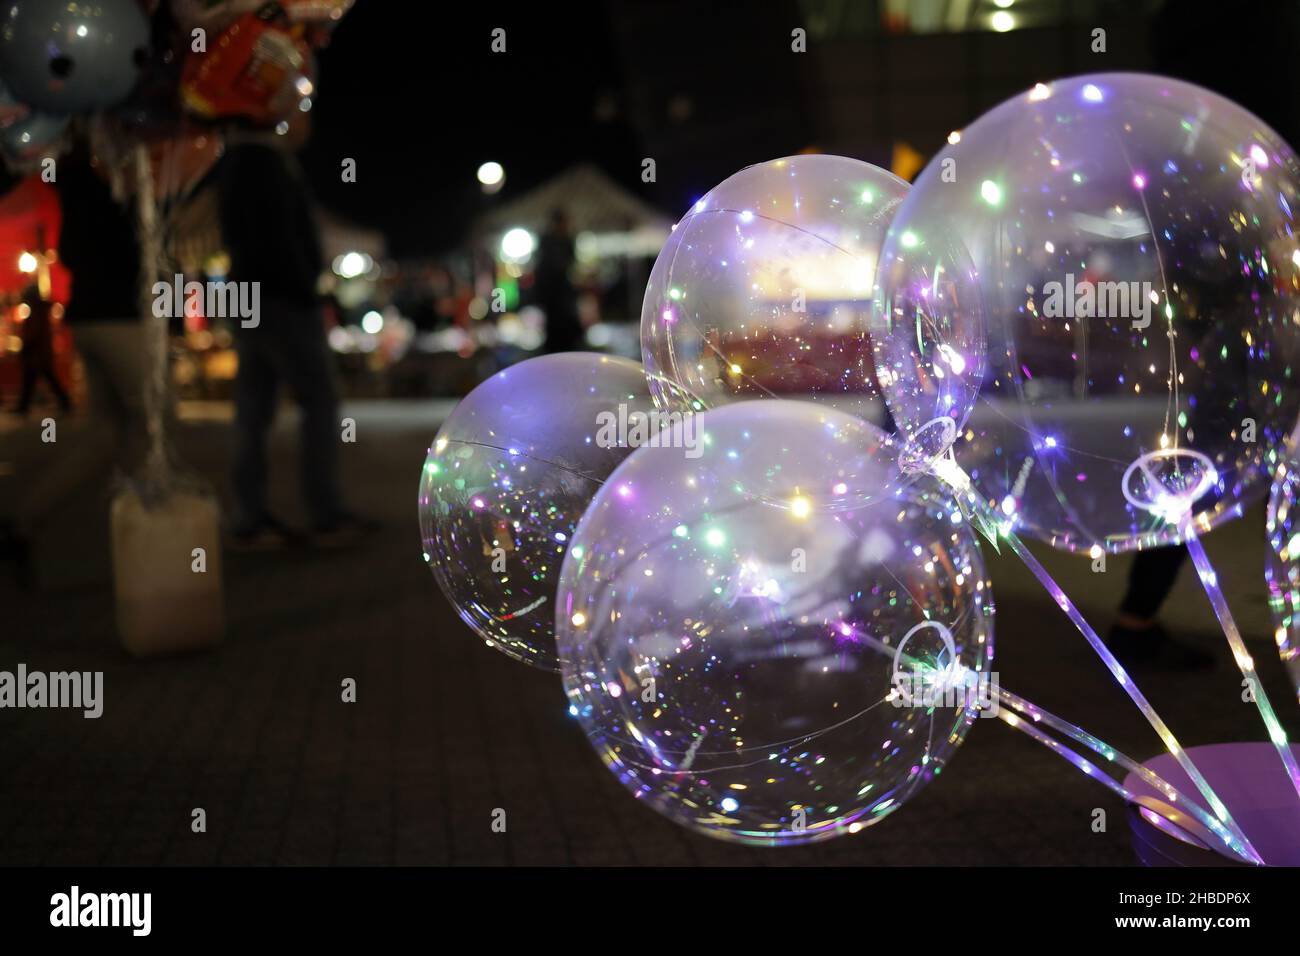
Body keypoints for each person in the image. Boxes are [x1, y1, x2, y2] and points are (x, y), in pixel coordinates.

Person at [218, 124, 369, 549]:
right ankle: (323, 511)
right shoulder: (263, 163)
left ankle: (249, 517)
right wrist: (305, 288)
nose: (305, 119)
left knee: (254, 408)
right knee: (319, 401)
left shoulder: (238, 161)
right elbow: (281, 240)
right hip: (281, 298)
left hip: (253, 296)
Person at [12, 283, 70, 415]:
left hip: (37, 353)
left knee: (42, 378)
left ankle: (65, 403)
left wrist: (26, 345)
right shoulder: (41, 311)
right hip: (40, 353)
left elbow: (34, 332)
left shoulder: (37, 312)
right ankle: (24, 406)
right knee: (36, 379)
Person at [534, 208, 583, 353]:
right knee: (558, 337)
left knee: (563, 338)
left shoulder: (564, 241)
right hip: (555, 300)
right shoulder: (549, 243)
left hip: (560, 301)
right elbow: (555, 268)